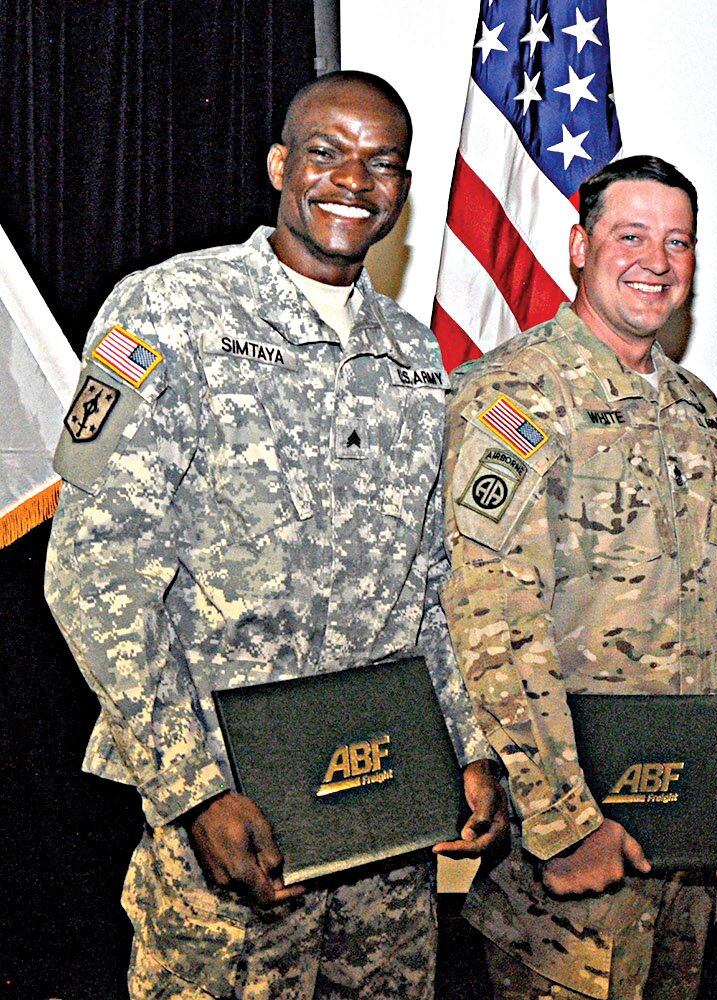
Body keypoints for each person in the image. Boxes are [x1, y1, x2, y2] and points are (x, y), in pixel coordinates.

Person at [44, 71, 507, 999]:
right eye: (327, 153)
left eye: (381, 163)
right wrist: (193, 790)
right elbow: (95, 569)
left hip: (384, 817)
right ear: (279, 165)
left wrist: (466, 744)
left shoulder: (416, 356)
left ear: (403, 190)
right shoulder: (169, 310)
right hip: (233, 814)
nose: (353, 181)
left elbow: (428, 582)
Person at [442, 155, 717, 1000]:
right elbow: (492, 618)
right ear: (580, 247)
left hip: (682, 842)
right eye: (631, 237)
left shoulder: (696, 409)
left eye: (678, 242)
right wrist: (562, 821)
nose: (656, 261)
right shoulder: (516, 394)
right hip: (570, 861)